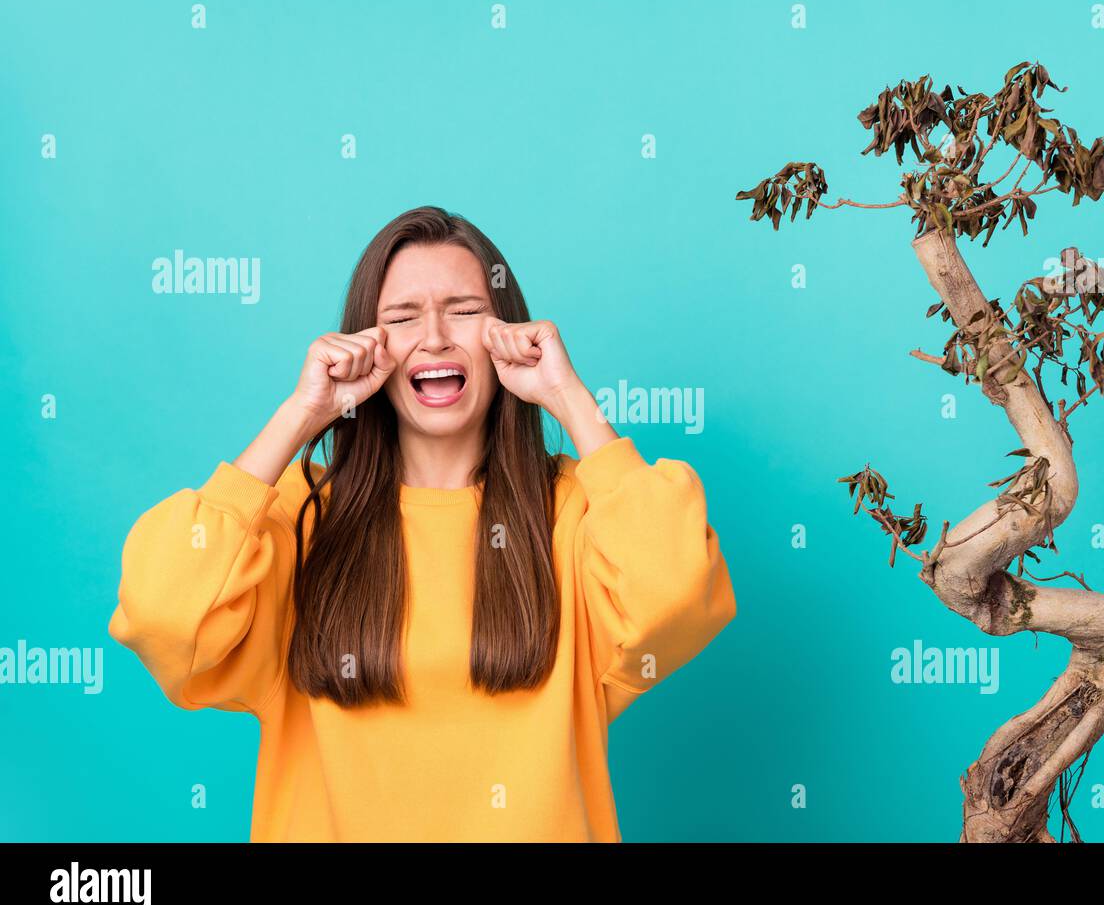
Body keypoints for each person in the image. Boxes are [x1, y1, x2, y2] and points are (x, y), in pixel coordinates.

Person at [108, 205, 736, 842]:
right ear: (367, 348)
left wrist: (569, 399)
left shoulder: (577, 513)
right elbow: (165, 614)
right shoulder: (300, 517)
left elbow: (676, 594)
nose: (434, 337)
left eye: (463, 311)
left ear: (505, 336)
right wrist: (301, 415)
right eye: (402, 318)